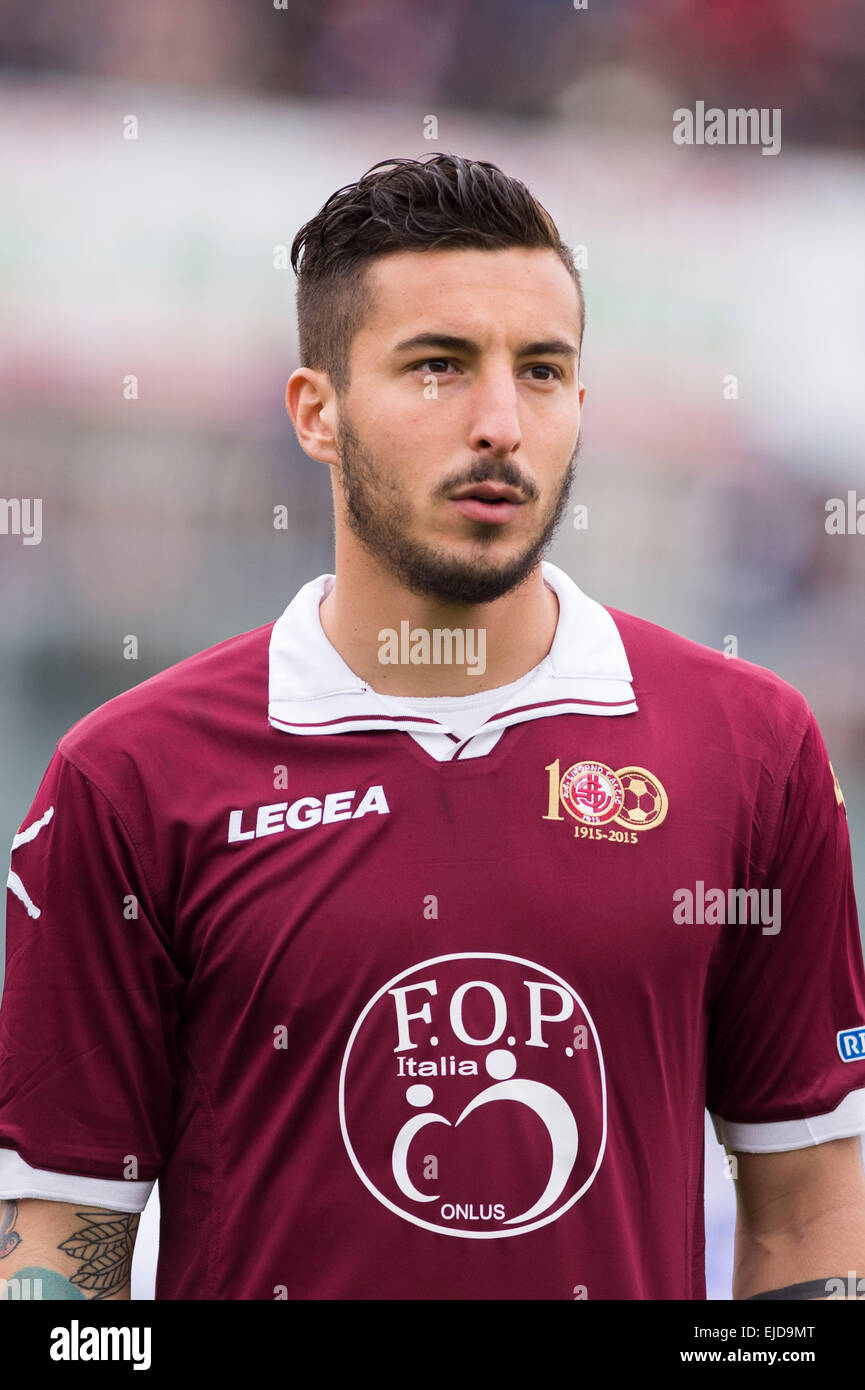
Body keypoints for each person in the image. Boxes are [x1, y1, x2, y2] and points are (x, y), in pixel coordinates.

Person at [1, 153, 864, 1302]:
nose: (499, 423)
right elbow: (64, 1241)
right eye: (438, 367)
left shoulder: (750, 748)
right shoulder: (128, 778)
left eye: (542, 372)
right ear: (318, 412)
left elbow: (810, 1218)